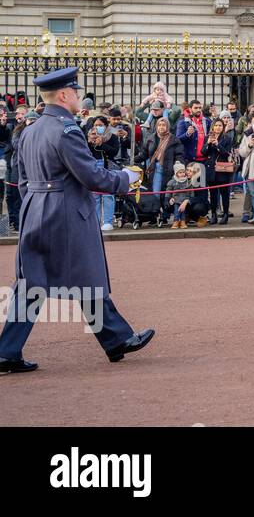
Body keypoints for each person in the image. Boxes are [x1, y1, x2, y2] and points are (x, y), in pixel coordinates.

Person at [0, 67, 154, 373]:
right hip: (66, 211)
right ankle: (116, 338)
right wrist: (125, 178)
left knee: (32, 282)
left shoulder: (30, 130)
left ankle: (8, 350)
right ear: (63, 95)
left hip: (35, 208)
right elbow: (90, 175)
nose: (78, 96)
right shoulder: (67, 130)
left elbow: (24, 178)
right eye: (75, 91)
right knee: (87, 275)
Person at [86, 114, 121, 231]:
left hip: (107, 167)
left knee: (108, 195)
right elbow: (84, 153)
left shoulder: (112, 137)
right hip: (93, 167)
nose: (97, 127)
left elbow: (114, 152)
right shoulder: (89, 136)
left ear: (106, 126)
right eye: (95, 125)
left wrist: (103, 144)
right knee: (94, 196)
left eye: (100, 125)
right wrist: (90, 142)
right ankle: (95, 221)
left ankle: (108, 221)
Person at [136, 116, 181, 197]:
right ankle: (156, 209)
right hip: (154, 170)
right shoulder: (151, 138)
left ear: (167, 126)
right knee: (155, 193)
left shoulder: (174, 140)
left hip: (169, 170)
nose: (161, 127)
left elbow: (179, 155)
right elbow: (144, 154)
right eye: (159, 125)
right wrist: (133, 160)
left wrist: (178, 168)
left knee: (166, 194)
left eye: (164, 125)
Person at [203, 117, 235, 225]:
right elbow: (203, 152)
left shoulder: (227, 138)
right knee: (212, 194)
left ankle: (225, 214)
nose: (218, 128)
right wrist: (208, 144)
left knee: (224, 193)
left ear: (223, 127)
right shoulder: (208, 137)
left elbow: (226, 154)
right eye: (216, 125)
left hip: (223, 168)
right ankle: (213, 214)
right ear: (213, 126)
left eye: (220, 125)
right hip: (211, 169)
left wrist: (217, 145)